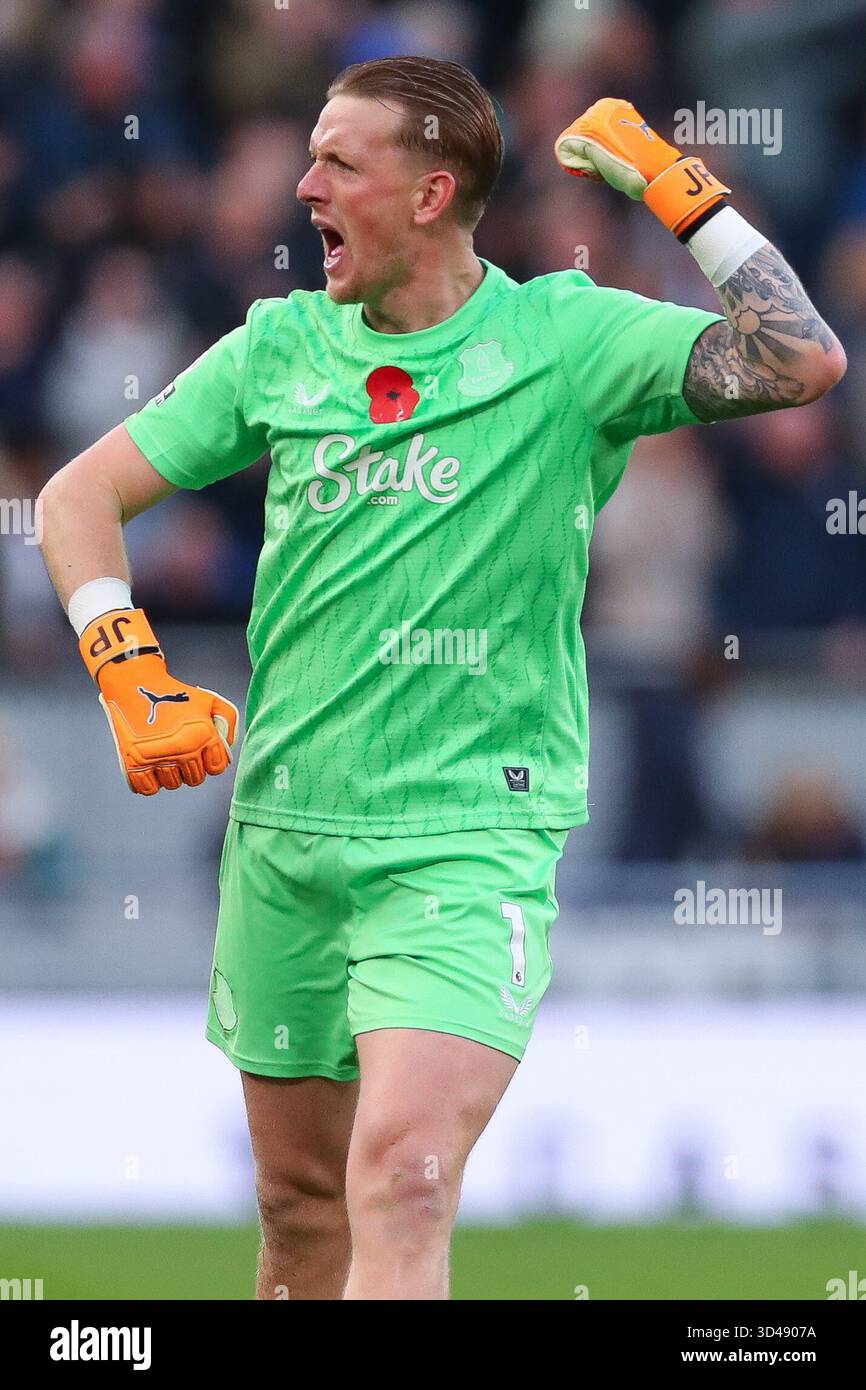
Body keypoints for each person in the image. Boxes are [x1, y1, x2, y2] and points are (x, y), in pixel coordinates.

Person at [36, 57, 846, 1300]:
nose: (301, 186)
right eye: (305, 155)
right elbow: (77, 496)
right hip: (286, 835)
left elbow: (799, 363)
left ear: (428, 193)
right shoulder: (278, 349)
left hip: (468, 839)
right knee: (300, 1214)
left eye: (336, 163)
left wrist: (681, 193)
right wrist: (123, 664)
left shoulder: (568, 340)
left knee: (406, 1172)